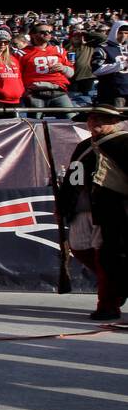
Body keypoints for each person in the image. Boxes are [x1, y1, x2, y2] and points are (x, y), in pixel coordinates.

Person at [59, 105, 128, 321]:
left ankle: (108, 304)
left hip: (112, 208)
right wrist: (61, 206)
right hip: (81, 208)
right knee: (79, 249)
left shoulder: (124, 143)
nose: (95, 122)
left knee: (107, 257)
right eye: (92, 118)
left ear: (116, 122)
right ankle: (119, 286)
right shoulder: (83, 146)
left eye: (103, 118)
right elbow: (72, 179)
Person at [19, 21, 75, 117]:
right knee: (35, 123)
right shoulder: (22, 54)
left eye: (49, 32)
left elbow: (71, 73)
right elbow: (17, 75)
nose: (47, 34)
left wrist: (63, 68)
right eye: (43, 32)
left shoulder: (59, 50)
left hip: (58, 91)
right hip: (35, 94)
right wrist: (24, 92)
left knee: (72, 119)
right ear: (33, 35)